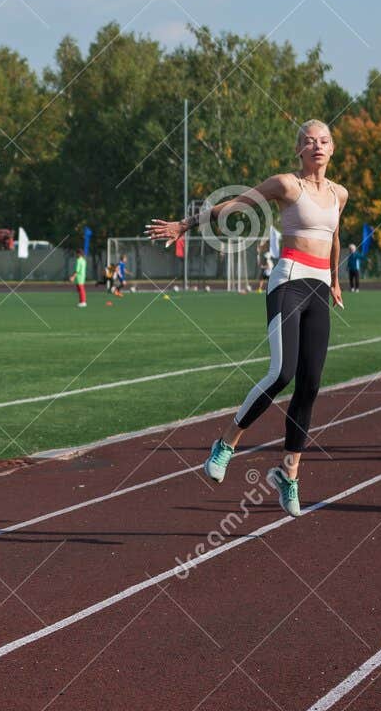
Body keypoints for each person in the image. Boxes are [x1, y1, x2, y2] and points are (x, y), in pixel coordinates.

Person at [147, 120, 346, 517]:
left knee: (310, 385)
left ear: (332, 147)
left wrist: (336, 281)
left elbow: (335, 237)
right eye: (309, 141)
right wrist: (185, 225)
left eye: (323, 140)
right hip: (288, 281)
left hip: (320, 288)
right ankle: (227, 442)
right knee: (282, 372)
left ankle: (289, 471)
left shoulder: (340, 193)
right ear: (299, 150)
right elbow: (235, 205)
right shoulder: (287, 185)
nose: (317, 146)